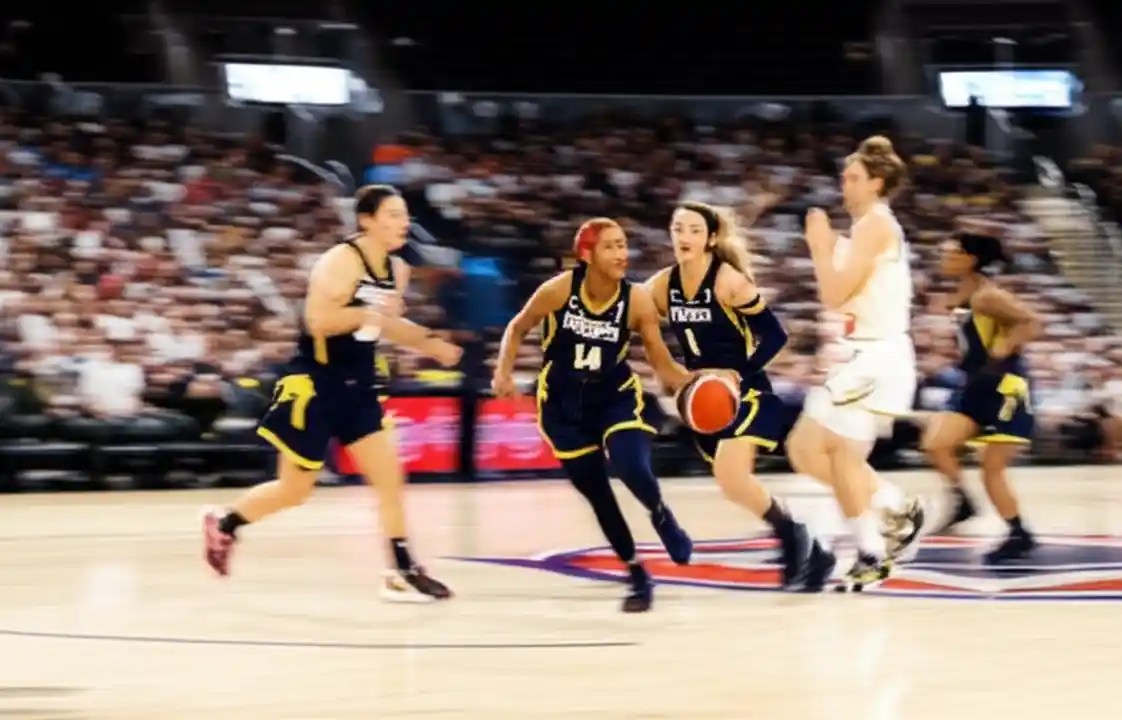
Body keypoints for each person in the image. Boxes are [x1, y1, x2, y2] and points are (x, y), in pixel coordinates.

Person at [201, 185, 464, 601]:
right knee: (293, 491)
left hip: (359, 386)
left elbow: (384, 326)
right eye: (393, 215)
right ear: (366, 220)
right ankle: (225, 523)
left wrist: (430, 343)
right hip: (317, 384)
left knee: (390, 479)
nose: (403, 222)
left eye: (405, 215)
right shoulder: (339, 262)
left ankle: (401, 569)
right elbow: (320, 321)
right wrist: (368, 313)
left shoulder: (397, 270)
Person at [492, 218, 695, 613]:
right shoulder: (559, 290)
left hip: (614, 396)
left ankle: (660, 514)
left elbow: (659, 359)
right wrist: (503, 370)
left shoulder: (636, 300)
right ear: (587, 254)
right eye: (611, 247)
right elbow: (518, 327)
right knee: (599, 497)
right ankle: (636, 573)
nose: (622, 254)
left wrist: (690, 384)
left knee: (631, 465)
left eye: (623, 245)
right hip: (563, 407)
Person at [646, 200, 834, 590]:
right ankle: (808, 546)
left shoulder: (728, 280)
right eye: (678, 228)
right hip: (702, 397)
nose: (684, 236)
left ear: (711, 238)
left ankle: (794, 536)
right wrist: (665, 367)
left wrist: (736, 372)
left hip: (744, 392)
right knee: (732, 485)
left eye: (695, 230)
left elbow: (776, 334)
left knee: (731, 476)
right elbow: (636, 320)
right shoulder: (663, 284)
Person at [786, 136, 925, 592]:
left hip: (877, 354)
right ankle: (894, 505)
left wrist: (819, 246)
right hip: (862, 354)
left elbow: (834, 295)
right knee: (804, 450)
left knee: (842, 456)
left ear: (876, 183)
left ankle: (871, 553)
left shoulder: (875, 226)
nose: (843, 184)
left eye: (853, 177)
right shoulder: (866, 227)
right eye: (843, 176)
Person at [924, 233, 1040, 562]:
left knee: (992, 469)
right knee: (936, 442)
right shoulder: (961, 293)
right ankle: (963, 502)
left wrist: (1003, 348)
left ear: (971, 259)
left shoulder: (988, 295)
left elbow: (1031, 322)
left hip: (1005, 385)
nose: (944, 256)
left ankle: (1020, 534)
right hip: (975, 384)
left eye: (952, 252)